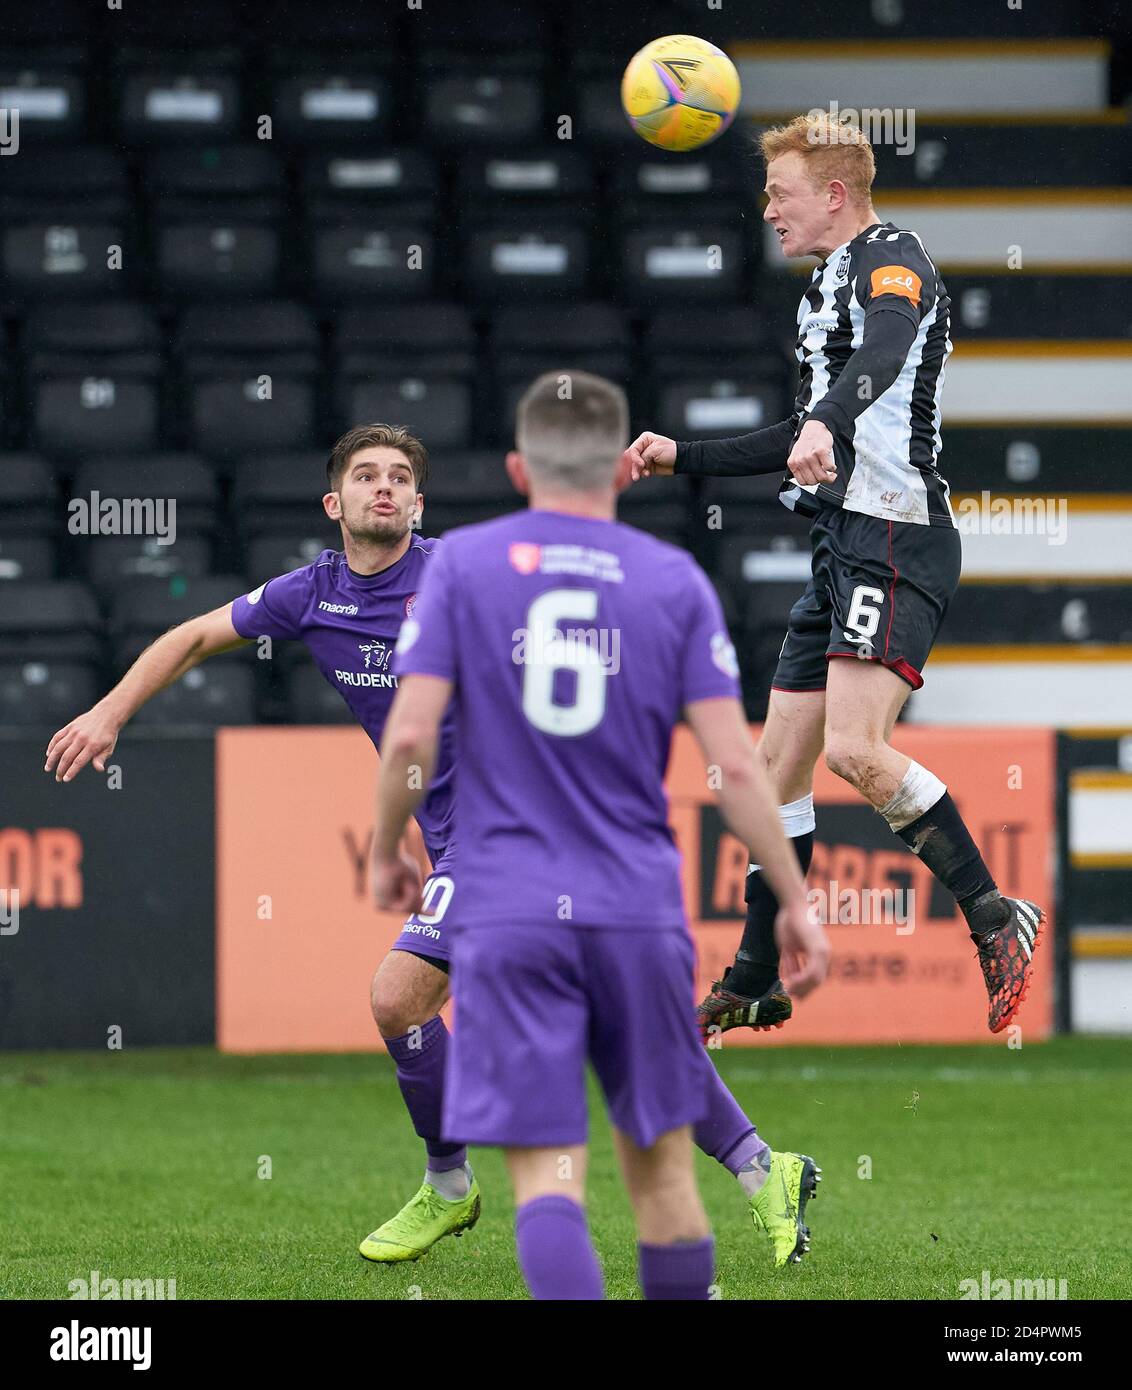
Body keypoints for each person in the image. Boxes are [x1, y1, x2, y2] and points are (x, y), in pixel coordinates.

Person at [45, 421, 825, 1270]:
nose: (384, 486)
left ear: (420, 502)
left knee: (404, 998)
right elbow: (194, 635)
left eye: (400, 477)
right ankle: (762, 1169)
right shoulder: (310, 595)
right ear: (333, 502)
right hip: (483, 839)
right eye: (366, 475)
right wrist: (109, 711)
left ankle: (455, 1187)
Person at [372, 370, 829, 1299]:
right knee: (661, 1177)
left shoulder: (461, 567)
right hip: (635, 908)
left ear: (516, 466)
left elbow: (412, 735)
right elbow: (739, 769)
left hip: (506, 907)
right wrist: (792, 902)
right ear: (624, 470)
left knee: (547, 1178)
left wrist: (387, 847)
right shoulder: (673, 580)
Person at [624, 112, 1044, 1040]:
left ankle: (992, 913)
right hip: (841, 541)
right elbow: (799, 436)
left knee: (856, 749)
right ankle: (757, 973)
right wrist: (677, 456)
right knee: (770, 770)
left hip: (897, 535)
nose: (767, 208)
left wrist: (829, 424)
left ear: (835, 193)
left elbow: (887, 346)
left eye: (779, 191)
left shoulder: (893, 256)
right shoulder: (821, 288)